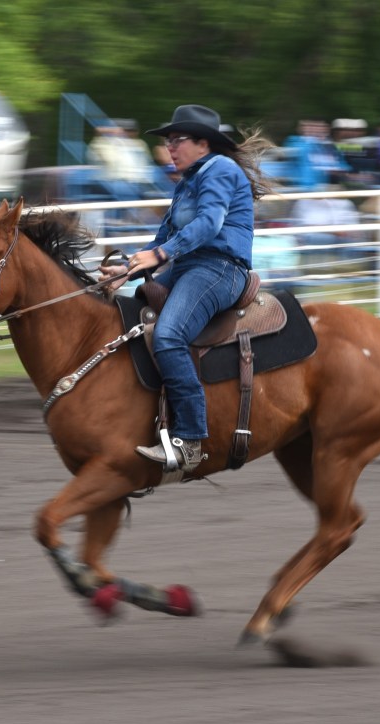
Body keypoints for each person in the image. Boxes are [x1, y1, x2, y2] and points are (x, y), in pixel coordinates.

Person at [100, 104, 271, 472]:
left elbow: (210, 223)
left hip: (220, 269)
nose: (170, 148)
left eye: (177, 140)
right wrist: (126, 270)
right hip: (188, 268)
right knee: (128, 317)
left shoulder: (220, 169)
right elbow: (162, 238)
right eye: (168, 141)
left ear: (203, 143)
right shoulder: (188, 181)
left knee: (168, 336)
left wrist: (159, 255)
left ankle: (190, 441)